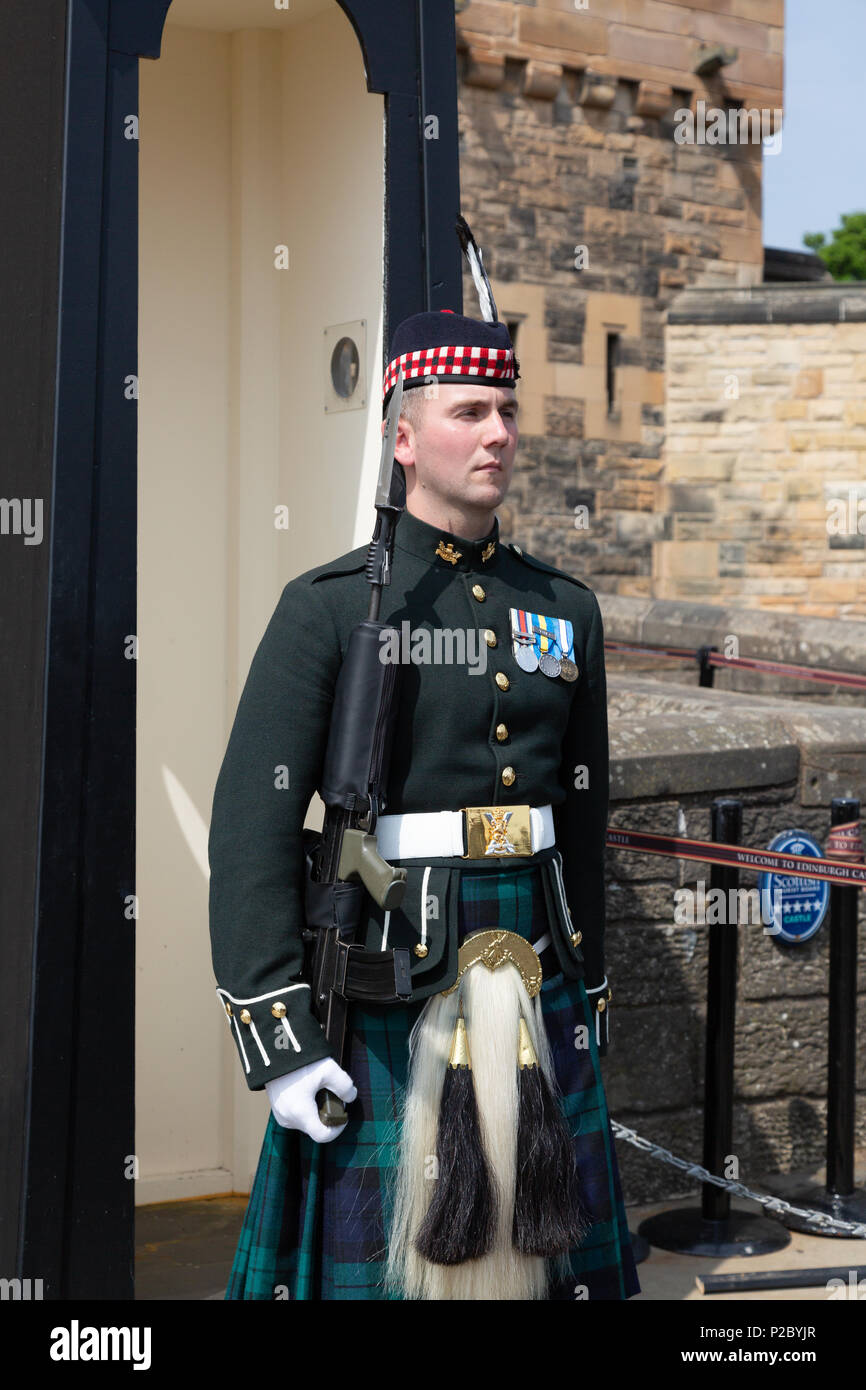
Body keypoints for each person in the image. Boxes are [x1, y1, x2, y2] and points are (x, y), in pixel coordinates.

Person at [208, 270, 640, 1300]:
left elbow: (580, 816)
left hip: (533, 961)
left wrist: (586, 981)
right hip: (389, 970)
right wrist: (282, 1041)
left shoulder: (562, 605)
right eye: (466, 412)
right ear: (405, 439)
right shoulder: (325, 608)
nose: (496, 432)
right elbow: (251, 828)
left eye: (505, 410)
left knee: (547, 1259)